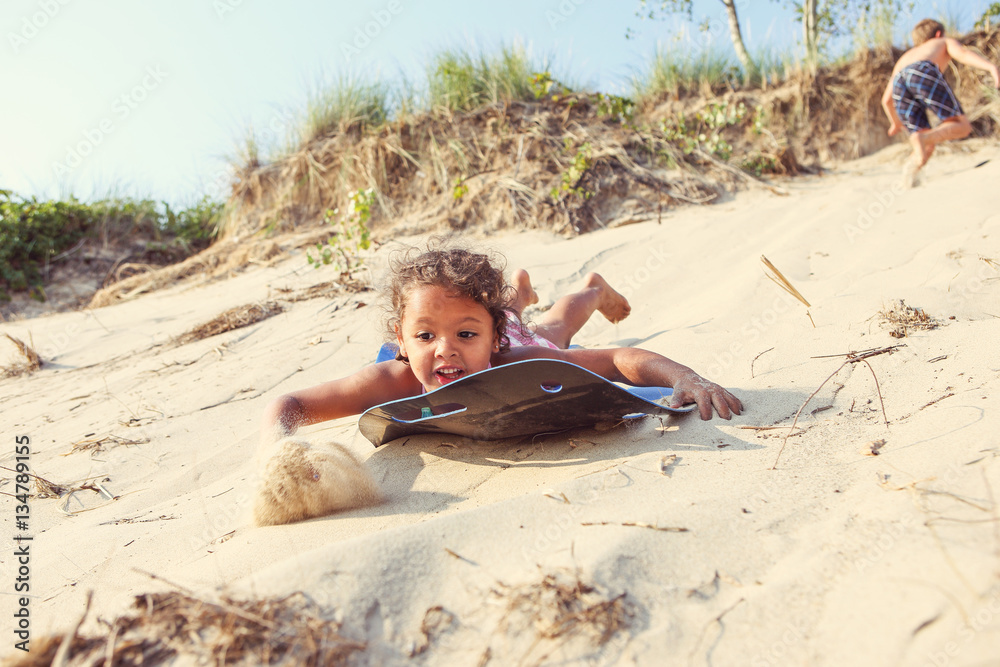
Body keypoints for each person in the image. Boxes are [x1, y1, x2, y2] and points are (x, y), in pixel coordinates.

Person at [259, 246, 743, 444]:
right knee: (509, 313)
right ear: (402, 342)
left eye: (465, 336)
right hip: (497, 323)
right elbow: (290, 404)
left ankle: (592, 289)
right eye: (425, 336)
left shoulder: (518, 352)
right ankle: (519, 295)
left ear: (494, 341)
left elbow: (617, 360)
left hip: (513, 333)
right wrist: (280, 453)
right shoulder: (391, 378)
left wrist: (684, 377)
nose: (444, 350)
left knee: (552, 333)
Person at [881, 18, 1000, 177]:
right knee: (962, 126)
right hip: (922, 71)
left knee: (925, 145)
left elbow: (886, 100)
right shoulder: (942, 42)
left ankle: (909, 177)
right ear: (938, 34)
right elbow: (963, 54)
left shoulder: (905, 57)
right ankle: (923, 138)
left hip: (899, 82)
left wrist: (895, 123)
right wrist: (991, 67)